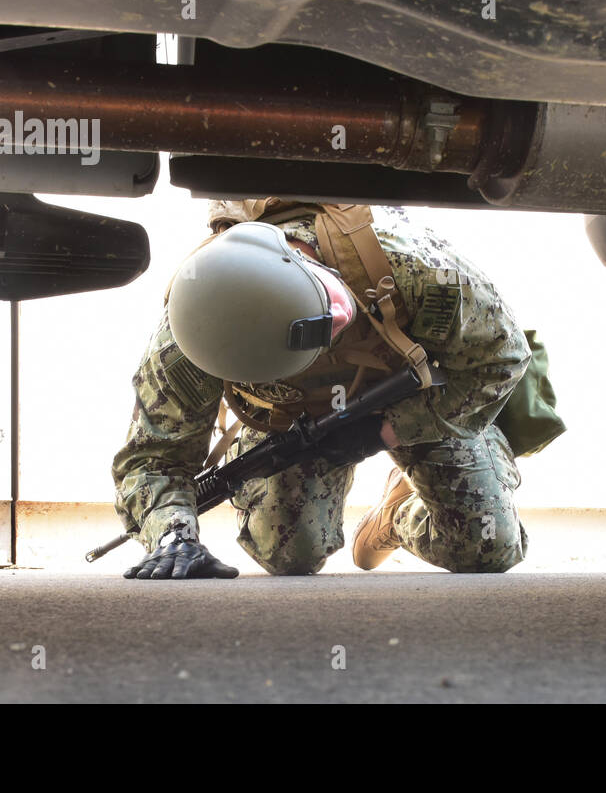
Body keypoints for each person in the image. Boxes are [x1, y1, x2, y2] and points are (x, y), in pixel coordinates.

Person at [111, 198, 547, 579]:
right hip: (296, 419)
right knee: (289, 556)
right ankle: (378, 512)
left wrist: (386, 431)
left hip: (419, 397)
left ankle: (398, 516)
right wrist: (173, 534)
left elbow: (501, 361)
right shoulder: (191, 337)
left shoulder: (415, 267)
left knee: (486, 546)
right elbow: (153, 458)